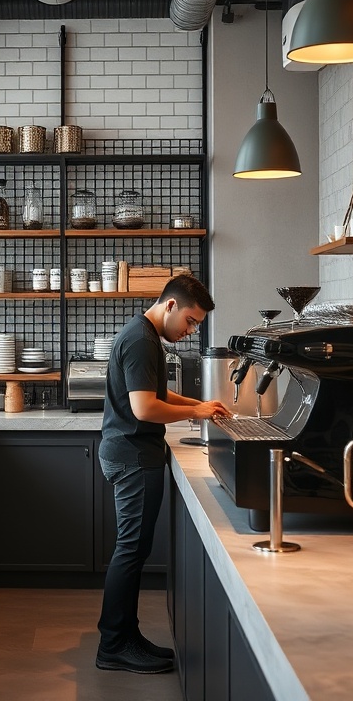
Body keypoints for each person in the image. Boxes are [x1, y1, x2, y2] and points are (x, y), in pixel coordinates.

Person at [96, 274, 232, 674]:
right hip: (133, 457)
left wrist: (200, 403)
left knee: (132, 551)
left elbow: (154, 393)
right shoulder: (141, 340)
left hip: (133, 454)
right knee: (130, 551)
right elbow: (144, 410)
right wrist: (195, 412)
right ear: (170, 305)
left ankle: (127, 635)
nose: (190, 331)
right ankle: (114, 645)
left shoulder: (146, 334)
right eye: (190, 321)